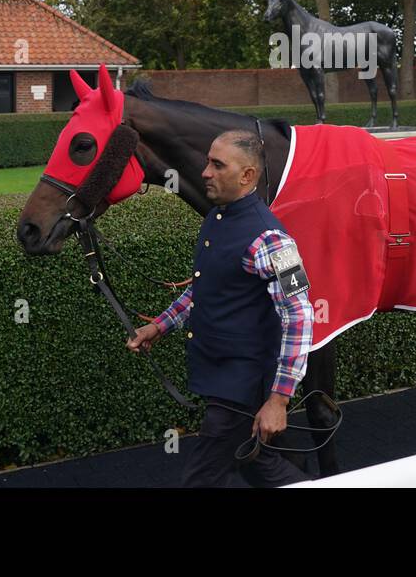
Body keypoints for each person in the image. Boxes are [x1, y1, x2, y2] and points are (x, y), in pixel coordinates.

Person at [127, 128, 314, 487]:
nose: (205, 172)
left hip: (241, 387)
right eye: (207, 162)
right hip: (225, 380)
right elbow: (207, 288)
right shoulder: (218, 218)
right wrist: (159, 326)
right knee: (259, 465)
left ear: (247, 176)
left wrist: (279, 400)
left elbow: (300, 315)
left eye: (217, 165)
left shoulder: (271, 240)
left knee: (202, 478)